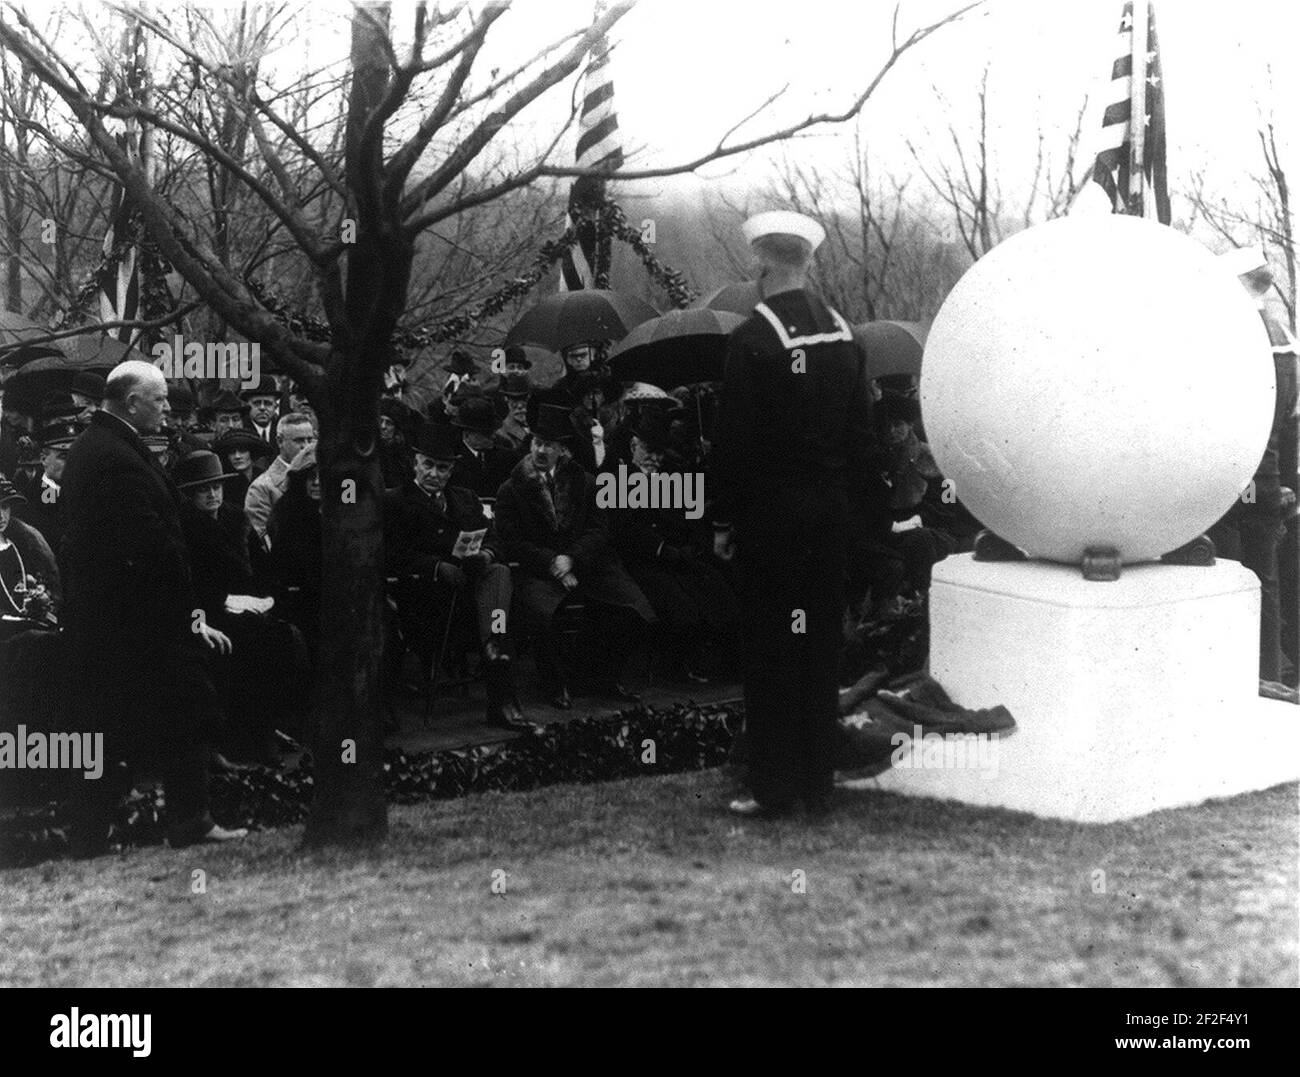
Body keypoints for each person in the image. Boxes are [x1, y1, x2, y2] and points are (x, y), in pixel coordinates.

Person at [712, 210, 876, 819]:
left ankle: (775, 786)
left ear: (760, 267)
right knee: (819, 643)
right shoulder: (845, 336)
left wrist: (724, 521)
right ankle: (816, 780)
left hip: (774, 519)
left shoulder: (751, 341)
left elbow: (734, 443)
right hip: (830, 518)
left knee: (773, 646)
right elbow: (863, 438)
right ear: (809, 262)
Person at [59, 360, 246, 854]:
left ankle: (99, 831)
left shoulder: (106, 446)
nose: (168, 408)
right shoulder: (112, 456)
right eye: (161, 399)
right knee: (173, 707)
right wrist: (186, 613)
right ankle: (176, 822)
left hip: (121, 618)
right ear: (132, 402)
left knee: (119, 720)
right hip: (135, 619)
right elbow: (147, 544)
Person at [493, 403, 655, 708]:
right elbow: (512, 541)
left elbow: (599, 530)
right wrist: (553, 562)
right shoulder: (511, 489)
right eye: (537, 443)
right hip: (538, 568)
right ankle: (555, 682)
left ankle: (600, 676)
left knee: (636, 610)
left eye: (549, 445)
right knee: (544, 613)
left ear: (562, 450)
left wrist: (572, 559)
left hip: (587, 563)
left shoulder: (586, 483)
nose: (541, 451)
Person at [385, 423, 527, 729]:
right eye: (428, 465)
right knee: (499, 605)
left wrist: (485, 554)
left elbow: (494, 538)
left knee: (498, 571)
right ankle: (498, 665)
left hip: (469, 596)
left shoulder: (465, 498)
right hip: (426, 598)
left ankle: (495, 648)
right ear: (416, 463)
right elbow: (392, 555)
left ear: (452, 471)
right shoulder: (395, 501)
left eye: (443, 468)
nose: (434, 474)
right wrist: (436, 567)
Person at [176, 450, 309, 760]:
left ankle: (269, 726)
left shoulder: (236, 517)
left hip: (252, 606)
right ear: (189, 494)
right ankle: (252, 737)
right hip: (210, 614)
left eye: (217, 487)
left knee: (286, 638)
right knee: (248, 645)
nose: (212, 495)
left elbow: (263, 568)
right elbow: (188, 584)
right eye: (203, 489)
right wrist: (227, 602)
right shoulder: (183, 528)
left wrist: (267, 597)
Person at [1208, 246, 1299, 684]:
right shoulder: (1284, 340)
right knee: (1266, 584)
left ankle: (1234, 676)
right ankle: (1268, 675)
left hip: (1235, 483)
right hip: (1270, 481)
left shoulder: (1237, 335)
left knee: (1226, 581)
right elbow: (1290, 423)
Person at [244, 412, 317, 541]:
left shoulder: (327, 478)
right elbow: (262, 542)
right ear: (279, 441)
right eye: (298, 440)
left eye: (310, 440)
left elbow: (349, 504)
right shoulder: (261, 488)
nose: (306, 446)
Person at [240, 376, 280, 455]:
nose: (262, 408)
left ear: (275, 407)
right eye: (257, 403)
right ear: (247, 406)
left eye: (267, 403)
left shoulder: (282, 429)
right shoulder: (241, 431)